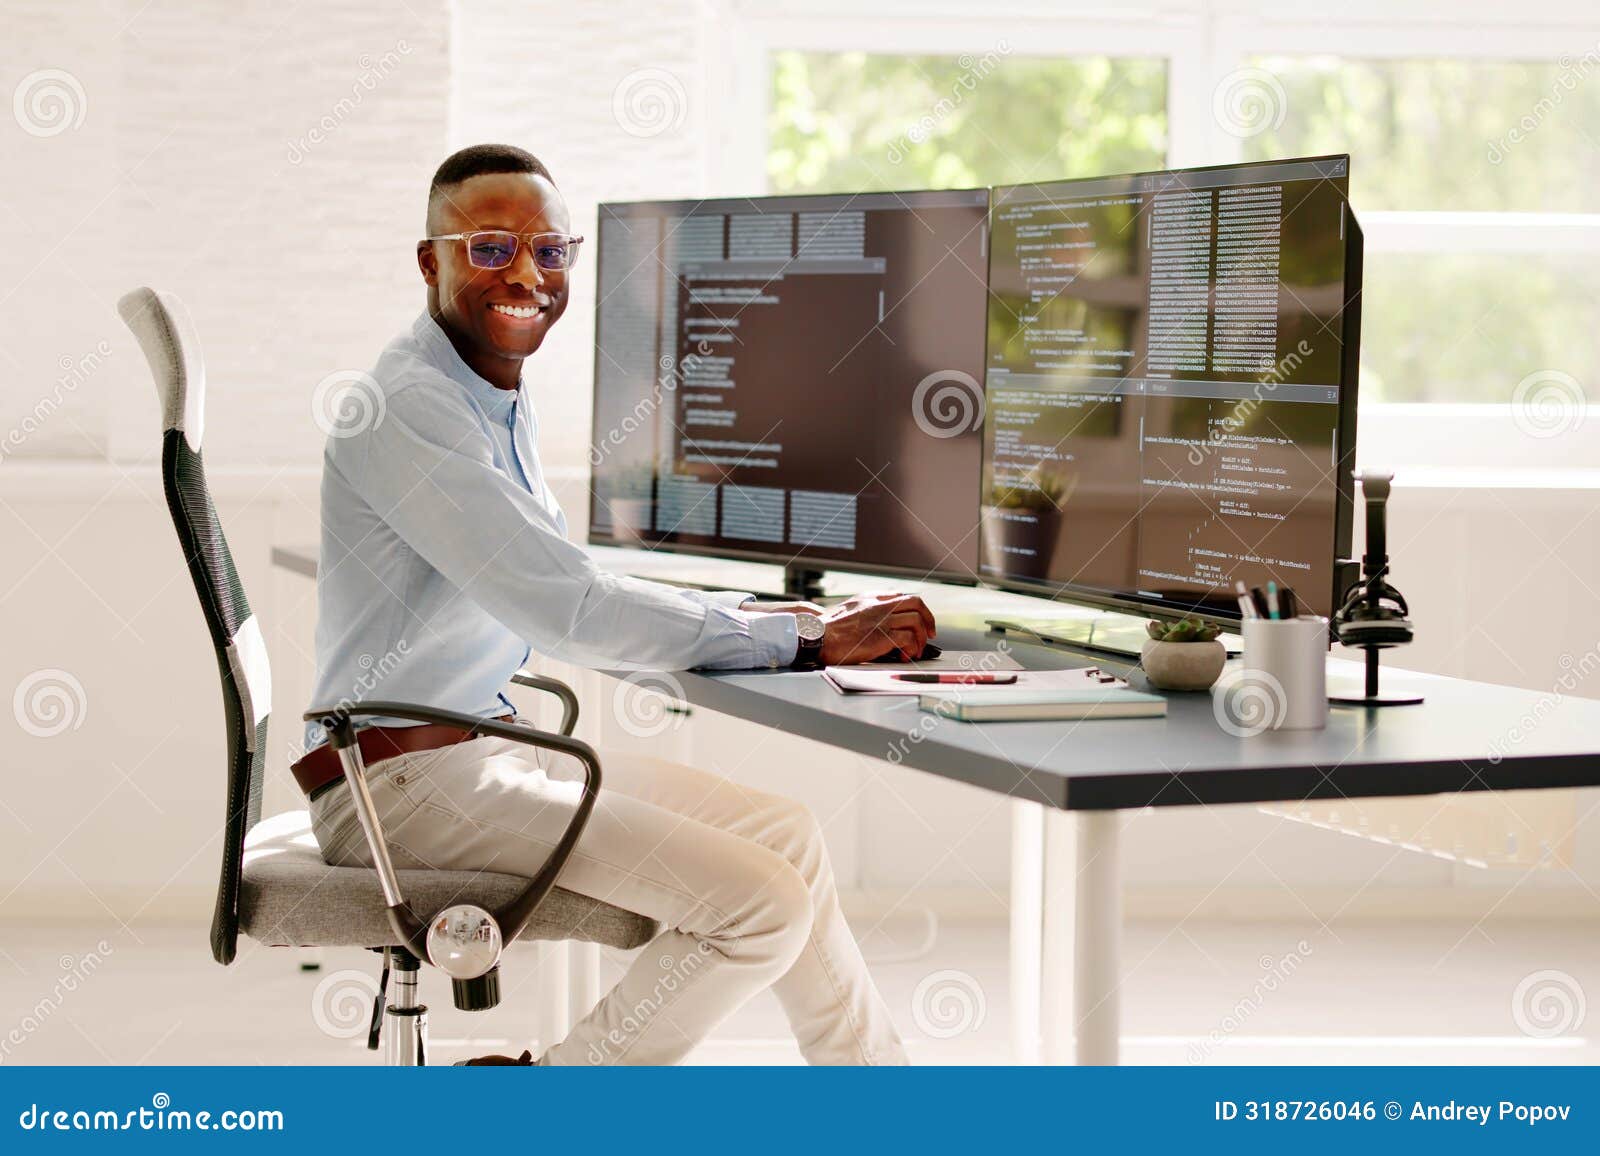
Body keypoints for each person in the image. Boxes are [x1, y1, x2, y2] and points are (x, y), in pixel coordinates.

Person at [295, 143, 937, 1065]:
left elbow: (570, 578)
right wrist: (798, 640)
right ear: (429, 260)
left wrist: (782, 623)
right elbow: (569, 609)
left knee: (784, 837)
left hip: (476, 753)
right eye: (488, 248)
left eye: (551, 251)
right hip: (400, 792)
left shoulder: (486, 395)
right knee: (762, 909)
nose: (527, 273)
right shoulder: (411, 407)